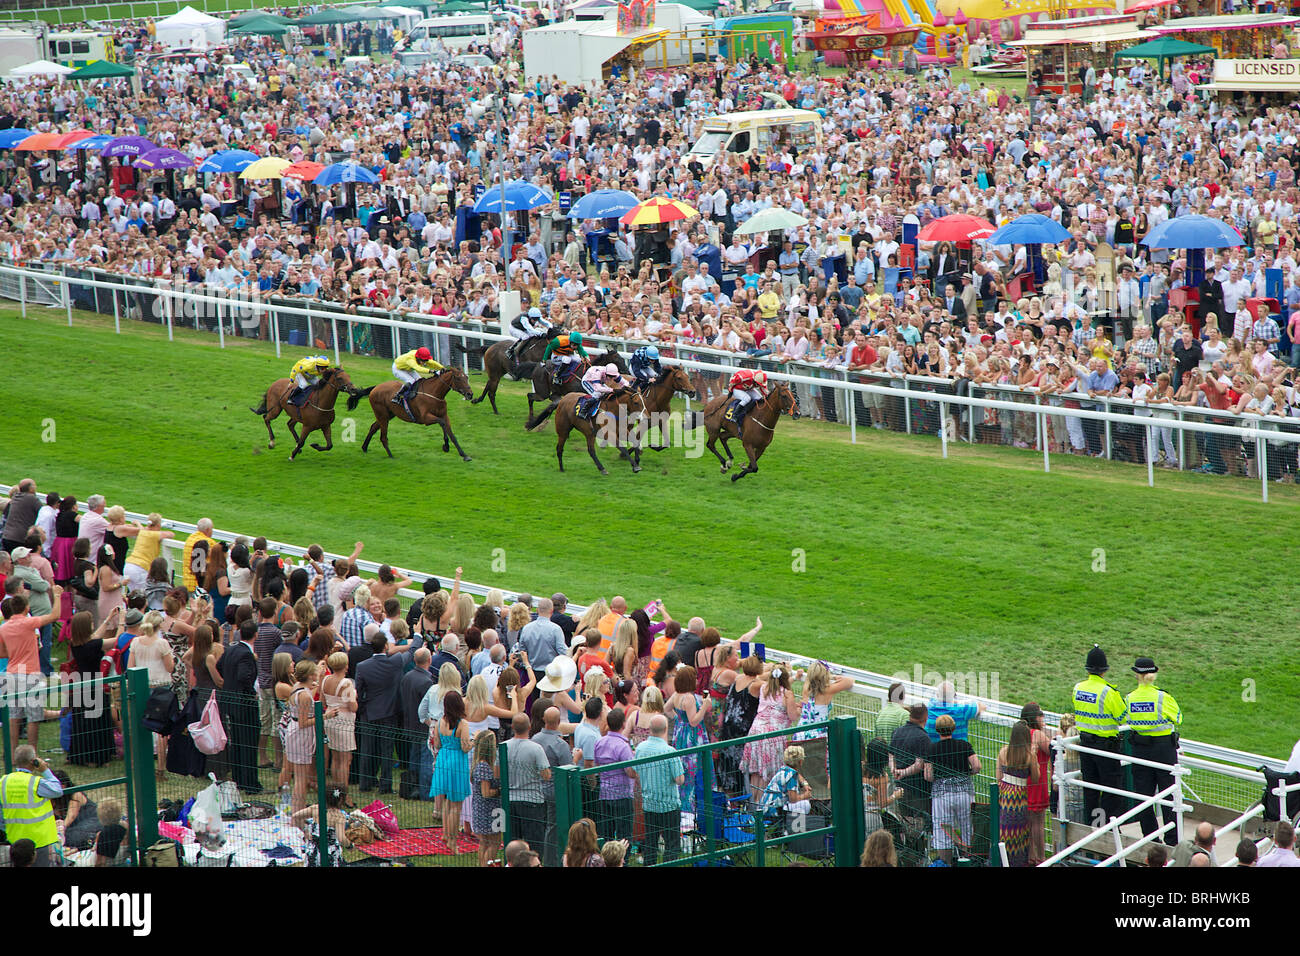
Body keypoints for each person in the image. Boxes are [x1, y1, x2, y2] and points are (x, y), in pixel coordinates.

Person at [1124, 656, 1183, 848]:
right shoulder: (1163, 697)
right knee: (1169, 795)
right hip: (1164, 750)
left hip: (1140, 749)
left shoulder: (1130, 698)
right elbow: (1178, 718)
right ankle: (1172, 839)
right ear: (1154, 674)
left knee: (1144, 796)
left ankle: (1150, 837)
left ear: (1136, 675)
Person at [1071, 644, 1125, 825]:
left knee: (1091, 790)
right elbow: (1122, 717)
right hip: (1106, 748)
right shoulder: (1109, 692)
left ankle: (1093, 826)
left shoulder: (1078, 688)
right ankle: (1108, 828)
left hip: (1085, 745)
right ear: (1104, 670)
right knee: (1111, 791)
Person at [924, 714, 980, 865]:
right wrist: (967, 774)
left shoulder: (932, 749)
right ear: (953, 728)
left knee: (943, 829)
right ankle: (967, 860)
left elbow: (928, 776)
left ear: (937, 730)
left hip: (942, 795)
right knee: (967, 827)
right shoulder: (964, 745)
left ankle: (945, 863)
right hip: (964, 793)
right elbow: (977, 766)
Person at [634, 712, 685, 866]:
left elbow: (636, 773)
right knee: (671, 844)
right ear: (665, 729)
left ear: (650, 729)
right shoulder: (670, 751)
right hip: (669, 804)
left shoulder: (640, 748)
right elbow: (679, 780)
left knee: (650, 844)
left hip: (649, 803)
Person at [0, 745, 64, 866]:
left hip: (15, 842)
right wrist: (45, 770)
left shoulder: (3, 781)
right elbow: (57, 790)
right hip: (39, 842)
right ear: (33, 761)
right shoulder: (35, 782)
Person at [429, 689, 473, 844]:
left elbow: (438, 743)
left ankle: (445, 834)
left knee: (448, 801)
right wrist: (475, 740)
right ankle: (452, 838)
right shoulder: (463, 724)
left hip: (443, 759)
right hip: (457, 762)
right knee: (457, 804)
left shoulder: (440, 721)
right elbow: (465, 747)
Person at [503, 713, 550, 851]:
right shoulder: (536, 748)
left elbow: (497, 773)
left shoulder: (504, 747)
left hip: (510, 800)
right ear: (529, 727)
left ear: (512, 727)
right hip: (532, 801)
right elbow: (546, 775)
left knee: (513, 844)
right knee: (535, 846)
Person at [996, 720, 1040, 867]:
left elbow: (998, 777)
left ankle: (1002, 859)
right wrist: (1034, 755)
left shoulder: (1003, 751)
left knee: (1004, 830)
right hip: (1019, 797)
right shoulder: (1029, 756)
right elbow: (1035, 778)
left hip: (1004, 795)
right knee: (1020, 832)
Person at [593, 705, 636, 843]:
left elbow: (597, 765)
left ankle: (608, 859)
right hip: (622, 795)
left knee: (607, 835)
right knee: (625, 834)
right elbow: (630, 772)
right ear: (624, 724)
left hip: (604, 794)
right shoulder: (623, 746)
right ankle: (623, 862)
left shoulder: (599, 742)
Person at [890, 703, 932, 822]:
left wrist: (894, 770)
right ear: (925, 718)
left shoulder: (897, 732)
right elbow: (919, 765)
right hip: (918, 791)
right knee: (920, 824)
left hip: (900, 788)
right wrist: (903, 772)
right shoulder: (923, 738)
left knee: (905, 822)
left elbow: (891, 755)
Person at [291, 785, 353, 866]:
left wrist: (305, 830)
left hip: (313, 850)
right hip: (330, 853)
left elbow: (295, 816)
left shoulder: (315, 808)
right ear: (341, 800)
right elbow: (341, 838)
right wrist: (350, 846)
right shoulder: (339, 816)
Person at [470, 729, 502, 866]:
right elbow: (486, 792)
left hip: (481, 808)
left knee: (484, 841)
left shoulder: (479, 763)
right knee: (494, 841)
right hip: (489, 810)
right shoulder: (484, 766)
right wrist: (500, 790)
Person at [392, 346, 445, 417]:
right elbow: (418, 368)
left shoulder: (420, 357)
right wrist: (431, 371)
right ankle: (397, 396)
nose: (424, 363)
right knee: (411, 381)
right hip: (398, 368)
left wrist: (442, 368)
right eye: (423, 361)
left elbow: (432, 363)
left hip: (408, 368)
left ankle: (415, 396)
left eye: (425, 361)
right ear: (418, 358)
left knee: (419, 380)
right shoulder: (410, 359)